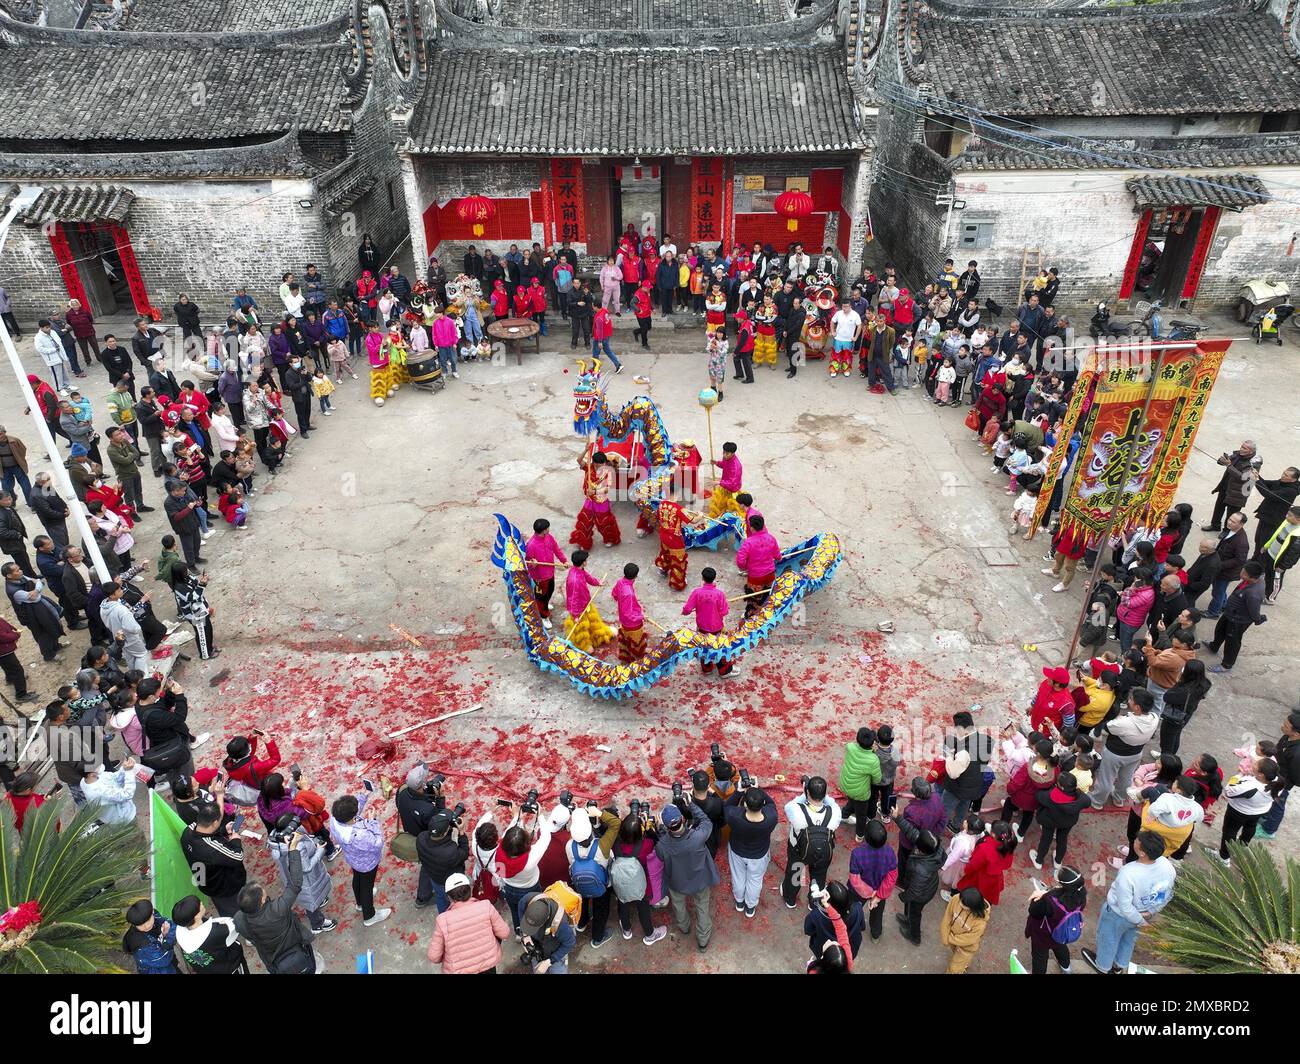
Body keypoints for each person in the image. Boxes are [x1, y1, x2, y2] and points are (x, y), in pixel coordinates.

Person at [1081, 830, 1176, 975]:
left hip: (1118, 915)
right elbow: (1166, 894)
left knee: (1108, 939)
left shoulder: (1128, 873)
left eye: (1138, 841)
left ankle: (1103, 967)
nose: (1135, 841)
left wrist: (1140, 920)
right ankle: (1120, 966)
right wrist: (1149, 913)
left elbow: (1125, 906)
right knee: (1128, 940)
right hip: (1144, 913)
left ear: (1142, 853)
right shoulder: (1166, 865)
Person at [234, 842, 323, 974]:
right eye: (262, 891)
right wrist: (293, 850)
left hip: (273, 961)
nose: (264, 890)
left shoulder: (239, 920)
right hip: (297, 948)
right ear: (262, 900)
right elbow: (295, 884)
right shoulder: (277, 909)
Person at [656, 800, 718, 950]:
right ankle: (702, 940)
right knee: (702, 907)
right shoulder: (697, 837)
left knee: (678, 905)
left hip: (677, 881)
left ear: (666, 826)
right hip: (700, 880)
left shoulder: (662, 845)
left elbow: (661, 856)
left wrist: (660, 830)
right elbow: (706, 821)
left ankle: (684, 927)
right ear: (683, 819)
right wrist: (691, 804)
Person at [266, 813, 337, 936]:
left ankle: (315, 904)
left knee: (308, 898)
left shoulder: (276, 836)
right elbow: (307, 867)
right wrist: (320, 850)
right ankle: (318, 924)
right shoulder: (296, 847)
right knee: (310, 901)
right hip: (306, 880)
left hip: (291, 877)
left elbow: (305, 836)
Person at [427, 872, 511, 974]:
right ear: (470, 891)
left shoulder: (442, 920)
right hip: (487, 964)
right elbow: (504, 933)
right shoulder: (485, 906)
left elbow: (434, 956)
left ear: (449, 897)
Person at [329, 789, 391, 925]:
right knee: (367, 887)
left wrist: (364, 795)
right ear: (352, 818)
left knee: (357, 879)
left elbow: (351, 812)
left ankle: (359, 903)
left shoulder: (334, 820)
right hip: (367, 863)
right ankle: (369, 916)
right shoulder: (358, 835)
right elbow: (377, 843)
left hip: (353, 859)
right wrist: (373, 822)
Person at [781, 776, 842, 907]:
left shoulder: (797, 811)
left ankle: (790, 899)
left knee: (796, 874)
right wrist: (820, 794)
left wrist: (805, 791)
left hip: (798, 850)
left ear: (807, 792)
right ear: (825, 794)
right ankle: (813, 903)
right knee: (819, 875)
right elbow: (831, 802)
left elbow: (788, 806)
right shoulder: (835, 812)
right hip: (823, 851)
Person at [1092, 688, 1158, 809]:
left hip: (1115, 753)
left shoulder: (1125, 723)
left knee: (1105, 778)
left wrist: (1119, 718)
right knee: (1126, 778)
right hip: (1135, 753)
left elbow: (1108, 727)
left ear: (1137, 707)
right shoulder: (1154, 718)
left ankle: (1097, 801)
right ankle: (1119, 799)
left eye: (1131, 700)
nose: (1129, 701)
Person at [1207, 759, 1279, 867]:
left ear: (1260, 774)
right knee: (1250, 826)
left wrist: (1238, 776)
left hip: (1239, 811)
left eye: (1255, 764)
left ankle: (1224, 858)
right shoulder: (1277, 780)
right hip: (1259, 810)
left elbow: (1228, 791)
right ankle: (1242, 846)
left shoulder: (1250, 786)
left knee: (1230, 831)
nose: (1253, 763)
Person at [180, 805, 247, 917]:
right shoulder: (210, 848)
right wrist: (235, 840)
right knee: (235, 911)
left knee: (222, 906)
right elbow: (238, 856)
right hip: (224, 887)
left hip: (206, 882)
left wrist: (223, 830)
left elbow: (207, 833)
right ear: (215, 822)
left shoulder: (188, 831)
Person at [724, 780, 778, 918]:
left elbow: (728, 805)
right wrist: (758, 788)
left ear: (745, 805)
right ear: (762, 805)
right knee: (755, 880)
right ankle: (750, 907)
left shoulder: (734, 816)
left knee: (738, 877)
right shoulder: (771, 817)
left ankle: (739, 902)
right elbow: (771, 803)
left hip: (737, 851)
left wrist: (738, 791)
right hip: (759, 854)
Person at [1206, 559, 1267, 673]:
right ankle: (1214, 646)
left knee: (1232, 642)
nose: (1241, 574)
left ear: (1252, 577)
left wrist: (1258, 619)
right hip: (1229, 613)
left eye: (1243, 573)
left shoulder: (1253, 593)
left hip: (1238, 620)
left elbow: (1254, 611)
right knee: (1220, 630)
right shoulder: (1250, 581)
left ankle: (1226, 665)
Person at [1024, 864, 1086, 974]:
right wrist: (1047, 893)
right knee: (1060, 947)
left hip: (1043, 934)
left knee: (1040, 957)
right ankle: (1066, 969)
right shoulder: (1081, 895)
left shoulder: (1050, 900)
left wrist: (1038, 896)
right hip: (1062, 932)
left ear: (1062, 883)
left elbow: (1033, 911)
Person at [940, 710, 993, 830]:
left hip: (958, 787)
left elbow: (953, 773)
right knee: (964, 806)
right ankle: (956, 825)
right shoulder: (986, 740)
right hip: (974, 784)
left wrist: (949, 755)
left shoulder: (964, 751)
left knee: (944, 809)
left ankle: (939, 828)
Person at [4, 562, 66, 661]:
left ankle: (56, 646)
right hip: (31, 616)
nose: (21, 571)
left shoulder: (20, 577)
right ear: (9, 575)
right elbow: (36, 598)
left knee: (51, 627)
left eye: (19, 568)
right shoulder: (14, 591)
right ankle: (49, 655)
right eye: (17, 570)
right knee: (43, 634)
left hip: (39, 610)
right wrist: (37, 588)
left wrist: (36, 589)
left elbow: (38, 581)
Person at [1030, 771, 1090, 872]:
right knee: (1062, 839)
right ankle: (1058, 861)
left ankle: (1039, 861)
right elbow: (1087, 801)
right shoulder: (1079, 798)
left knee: (1046, 840)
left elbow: (1038, 795)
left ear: (1061, 787)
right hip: (1067, 822)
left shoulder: (1051, 795)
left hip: (1050, 821)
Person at [415, 810, 469, 914]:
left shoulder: (421, 838)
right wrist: (461, 833)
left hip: (435, 878)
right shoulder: (450, 852)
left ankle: (443, 915)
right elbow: (464, 853)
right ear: (445, 833)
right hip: (449, 882)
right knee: (457, 902)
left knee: (441, 898)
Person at [955, 821, 1017, 906]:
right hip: (994, 879)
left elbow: (974, 865)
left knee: (969, 893)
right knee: (986, 897)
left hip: (979, 876)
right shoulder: (1009, 846)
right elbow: (1007, 864)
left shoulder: (985, 848)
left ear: (994, 835)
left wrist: (965, 871)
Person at [838, 727, 881, 843]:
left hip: (846, 784)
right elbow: (877, 779)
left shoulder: (850, 747)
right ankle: (860, 835)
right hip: (860, 792)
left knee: (852, 800)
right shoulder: (873, 760)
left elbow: (852, 745)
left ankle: (844, 815)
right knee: (861, 814)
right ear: (872, 743)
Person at [1202, 512, 1250, 617]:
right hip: (1222, 569)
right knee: (1221, 590)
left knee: (1217, 592)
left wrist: (1219, 564)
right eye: (1229, 519)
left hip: (1226, 572)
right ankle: (1223, 605)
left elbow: (1239, 560)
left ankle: (1213, 612)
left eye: (1233, 521)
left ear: (1241, 524)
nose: (1229, 522)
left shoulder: (1241, 542)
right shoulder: (1232, 531)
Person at [518, 890, 576, 974]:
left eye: (533, 928)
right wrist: (525, 935)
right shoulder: (527, 900)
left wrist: (549, 962)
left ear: (547, 918)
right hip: (537, 945)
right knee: (538, 970)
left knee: (557, 971)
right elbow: (520, 912)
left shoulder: (561, 925)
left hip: (555, 950)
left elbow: (570, 943)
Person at [1205, 441, 1258, 532]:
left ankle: (1226, 531)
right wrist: (1222, 460)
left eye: (1245, 448)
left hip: (1238, 493)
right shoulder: (1238, 454)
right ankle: (1215, 525)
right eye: (1242, 446)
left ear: (1251, 451)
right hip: (1226, 487)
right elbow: (1225, 461)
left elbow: (1243, 477)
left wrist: (1229, 465)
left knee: (1231, 514)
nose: (1241, 449)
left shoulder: (1254, 463)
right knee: (1218, 508)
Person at [938, 887, 990, 974]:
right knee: (957, 959)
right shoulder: (957, 898)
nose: (960, 903)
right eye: (961, 900)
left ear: (973, 907)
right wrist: (945, 936)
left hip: (966, 948)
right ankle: (964, 964)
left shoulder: (980, 923)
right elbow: (947, 916)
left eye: (963, 904)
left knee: (954, 969)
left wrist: (949, 938)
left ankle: (960, 967)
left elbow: (969, 939)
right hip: (953, 940)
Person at [122, 900, 179, 975]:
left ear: (152, 912)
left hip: (168, 963)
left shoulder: (154, 915)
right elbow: (164, 960)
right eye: (140, 924)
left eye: (148, 920)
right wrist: (167, 939)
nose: (146, 926)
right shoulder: (142, 945)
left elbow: (172, 925)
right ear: (133, 924)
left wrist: (166, 938)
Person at [0, 616, 37, 704]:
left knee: (7, 666)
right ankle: (21, 694)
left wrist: (13, 629)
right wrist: (16, 635)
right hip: (3, 651)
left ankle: (10, 678)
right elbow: (3, 637)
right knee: (17, 670)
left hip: (4, 650)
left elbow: (3, 623)